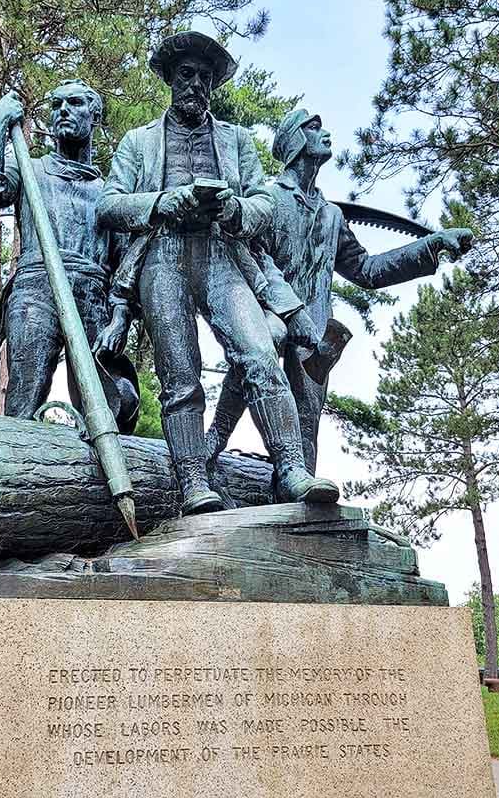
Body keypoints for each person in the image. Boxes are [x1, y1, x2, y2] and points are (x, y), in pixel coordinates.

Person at [95, 32, 339, 515]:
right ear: (169, 79)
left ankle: (291, 468)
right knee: (180, 378)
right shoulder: (138, 142)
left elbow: (264, 202)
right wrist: (162, 201)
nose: (196, 85)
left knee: (260, 354)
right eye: (186, 74)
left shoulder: (236, 140)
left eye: (205, 77)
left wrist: (235, 210)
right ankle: (193, 482)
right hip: (162, 255)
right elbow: (108, 204)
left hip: (222, 255)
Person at [206, 108, 473, 472]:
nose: (326, 133)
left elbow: (366, 270)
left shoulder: (332, 216)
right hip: (268, 313)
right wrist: (283, 310)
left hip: (313, 335)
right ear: (295, 140)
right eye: (315, 128)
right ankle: (211, 444)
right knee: (254, 358)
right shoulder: (269, 200)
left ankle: (296, 500)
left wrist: (430, 246)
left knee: (306, 426)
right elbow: (249, 256)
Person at [0, 80, 138, 430]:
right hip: (36, 287)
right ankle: (15, 469)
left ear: (95, 115)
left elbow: (125, 267)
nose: (62, 111)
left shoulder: (109, 192)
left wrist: (120, 317)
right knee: (24, 396)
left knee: (112, 404)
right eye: (56, 104)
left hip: (93, 293)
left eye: (74, 103)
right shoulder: (31, 169)